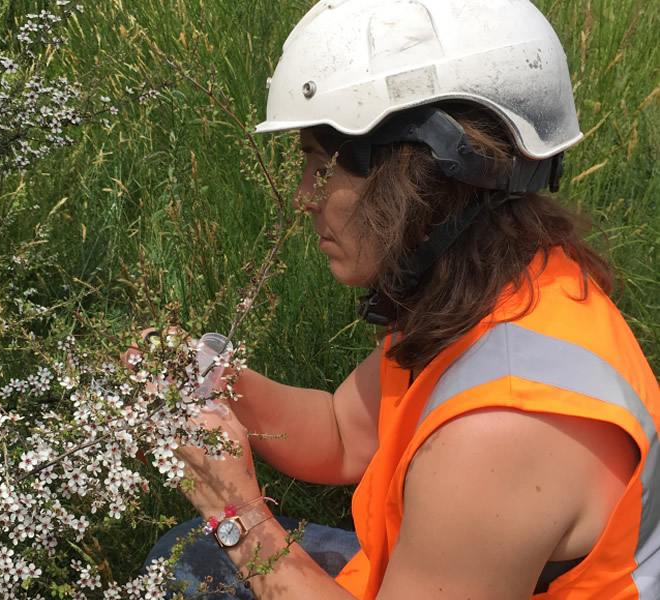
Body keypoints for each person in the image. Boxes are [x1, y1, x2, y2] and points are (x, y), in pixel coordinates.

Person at [143, 0, 660, 598]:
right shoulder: (497, 289)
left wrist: (236, 516)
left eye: (325, 165)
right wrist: (209, 379)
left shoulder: (503, 428)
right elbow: (341, 434)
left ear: (425, 173)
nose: (304, 197)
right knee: (186, 557)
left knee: (198, 558)